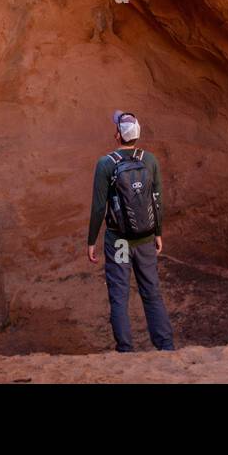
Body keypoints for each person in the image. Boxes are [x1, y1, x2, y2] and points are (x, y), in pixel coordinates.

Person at [86, 110, 175, 352]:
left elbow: (98, 207)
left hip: (118, 241)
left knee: (119, 295)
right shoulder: (150, 160)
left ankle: (125, 349)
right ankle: (165, 346)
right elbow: (157, 200)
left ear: (118, 135)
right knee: (151, 292)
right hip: (145, 237)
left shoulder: (106, 163)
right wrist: (157, 232)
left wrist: (91, 241)